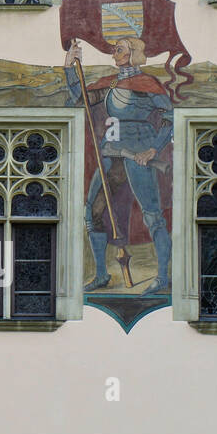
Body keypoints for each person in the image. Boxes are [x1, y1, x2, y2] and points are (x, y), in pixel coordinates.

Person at [65, 37, 173, 295]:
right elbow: (81, 97)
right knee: (93, 211)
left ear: (133, 53)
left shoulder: (147, 85)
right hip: (111, 154)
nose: (115, 52)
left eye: (120, 48)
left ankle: (163, 277)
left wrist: (152, 150)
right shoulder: (111, 84)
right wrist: (71, 66)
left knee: (152, 216)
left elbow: (170, 119)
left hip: (139, 155)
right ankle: (101, 274)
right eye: (115, 48)